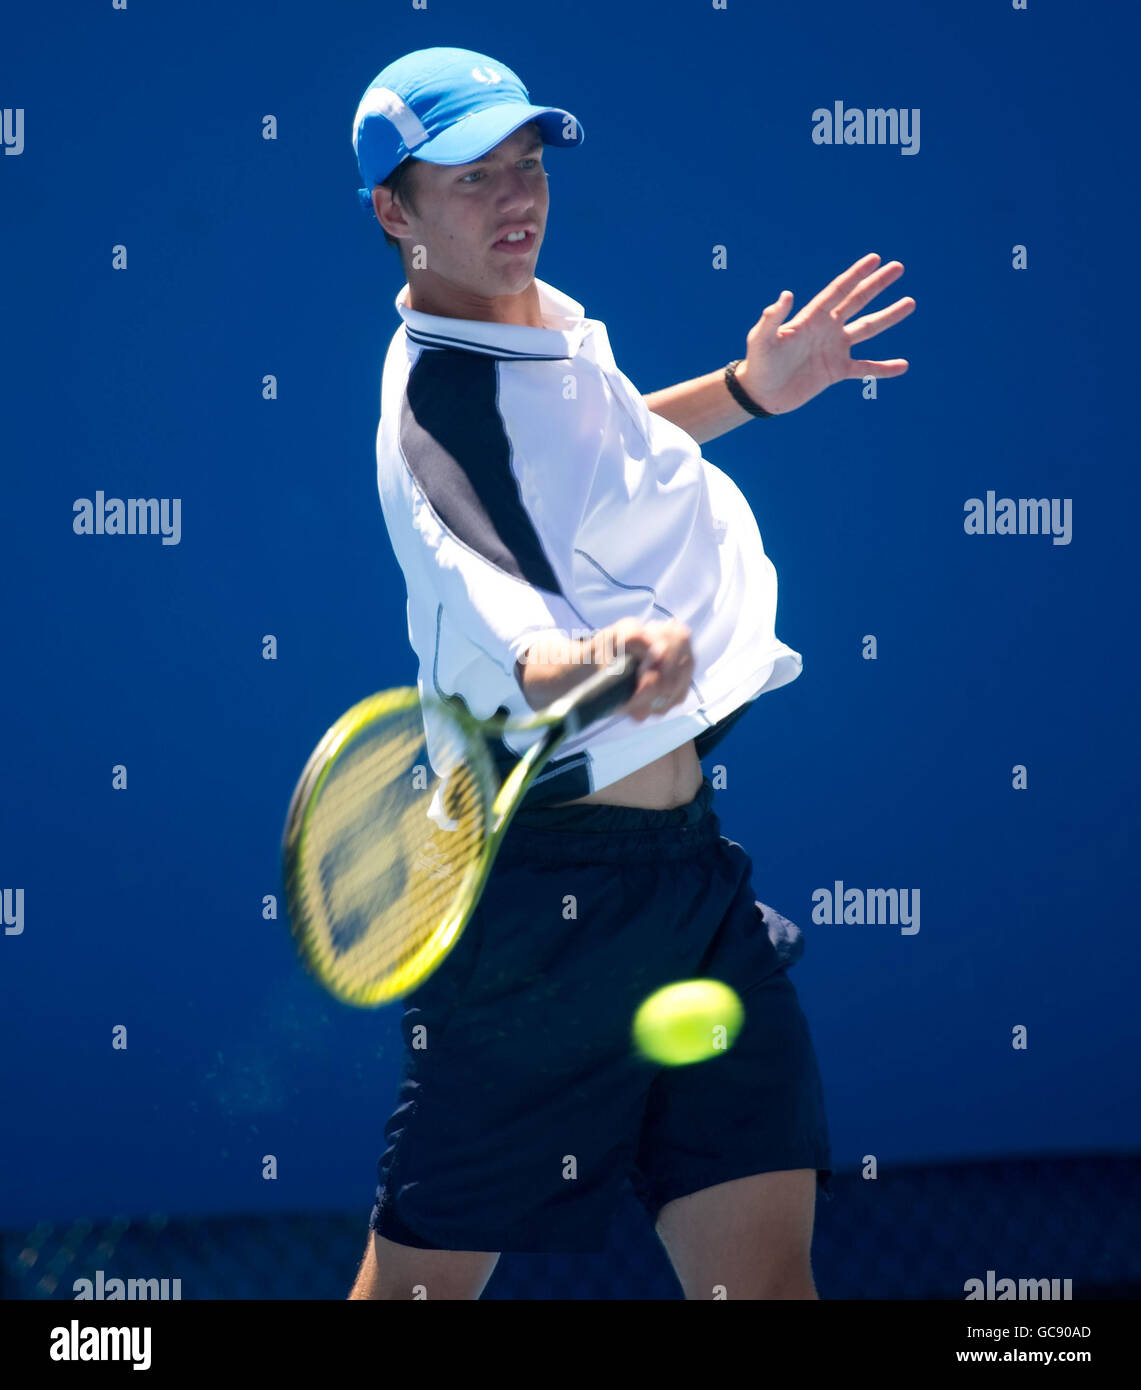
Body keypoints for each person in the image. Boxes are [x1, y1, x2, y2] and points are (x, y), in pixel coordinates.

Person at [346, 46, 914, 1300]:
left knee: (764, 1284)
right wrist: (602, 658)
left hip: (690, 878)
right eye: (472, 177)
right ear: (395, 212)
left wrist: (748, 392)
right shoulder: (439, 410)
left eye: (528, 162)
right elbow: (521, 636)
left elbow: (592, 457)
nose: (517, 198)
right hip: (538, 909)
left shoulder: (533, 319)